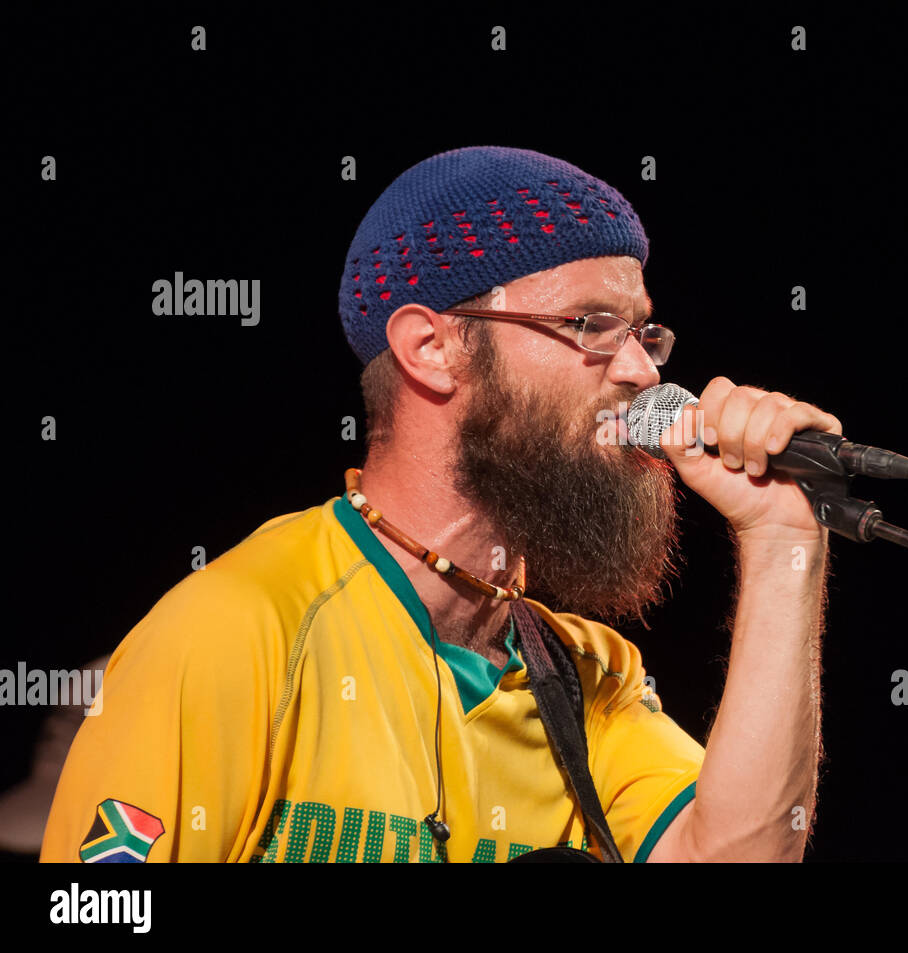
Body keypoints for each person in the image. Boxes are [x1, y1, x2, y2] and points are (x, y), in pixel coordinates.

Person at [40, 146, 838, 863]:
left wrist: (780, 538)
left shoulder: (586, 674)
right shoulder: (237, 629)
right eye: (591, 324)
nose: (639, 370)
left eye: (643, 333)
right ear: (431, 348)